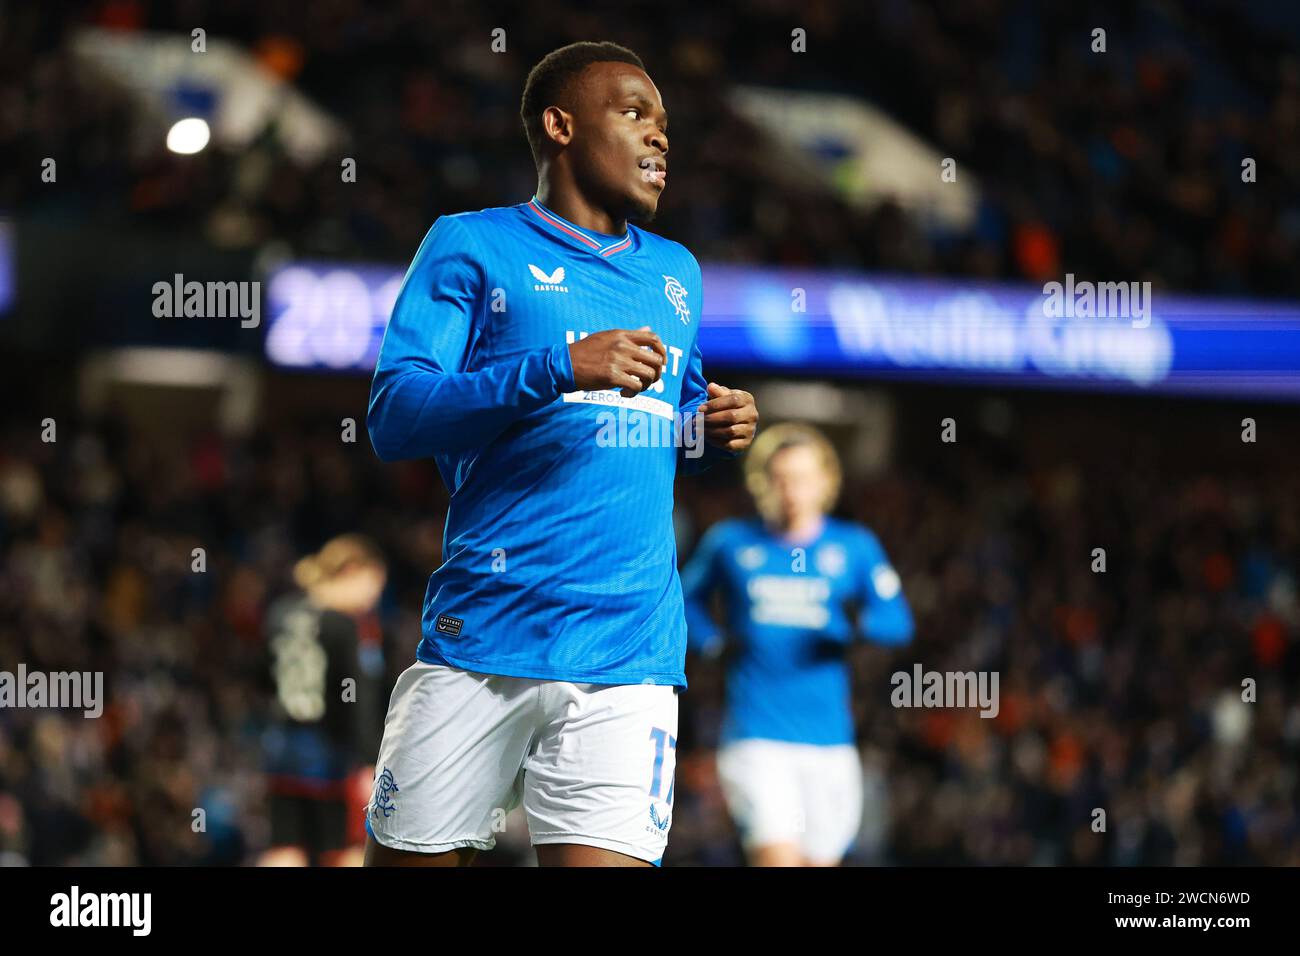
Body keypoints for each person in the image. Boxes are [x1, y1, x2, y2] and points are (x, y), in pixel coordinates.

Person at [363, 40, 758, 867]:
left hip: (630, 656)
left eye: (666, 127)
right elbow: (395, 415)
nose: (661, 140)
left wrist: (711, 428)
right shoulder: (471, 245)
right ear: (560, 125)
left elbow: (658, 422)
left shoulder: (676, 274)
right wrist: (556, 366)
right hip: (482, 643)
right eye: (635, 113)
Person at [681, 423, 912, 866]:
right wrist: (711, 643)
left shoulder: (854, 547)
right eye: (781, 478)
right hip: (757, 736)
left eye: (803, 478)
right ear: (761, 482)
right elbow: (684, 599)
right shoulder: (731, 542)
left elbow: (897, 621)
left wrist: (859, 623)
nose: (791, 491)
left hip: (830, 743)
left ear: (826, 481)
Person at [260, 534, 388, 867]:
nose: (373, 598)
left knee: (284, 846)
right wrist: (366, 761)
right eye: (372, 586)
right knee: (343, 848)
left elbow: (261, 676)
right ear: (351, 571)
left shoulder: (281, 612)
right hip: (330, 753)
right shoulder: (344, 624)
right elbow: (357, 699)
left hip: (281, 745)